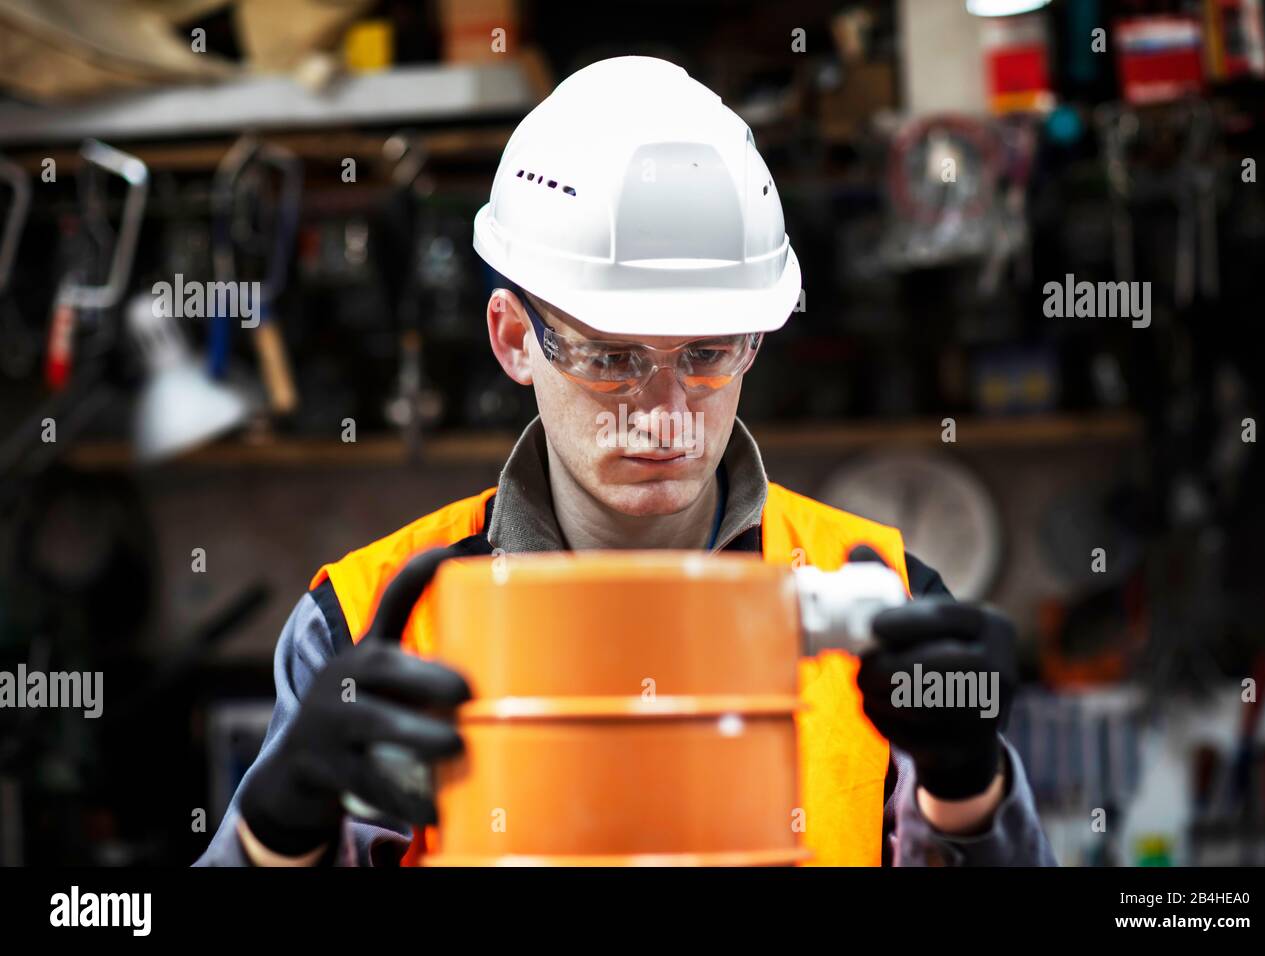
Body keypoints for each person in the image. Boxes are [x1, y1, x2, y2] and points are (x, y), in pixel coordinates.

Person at [196, 56, 1056, 867]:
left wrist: (968, 796)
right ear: (511, 338)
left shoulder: (884, 605)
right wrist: (277, 829)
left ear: (755, 342)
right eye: (611, 359)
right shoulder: (367, 620)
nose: (664, 411)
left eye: (707, 351)